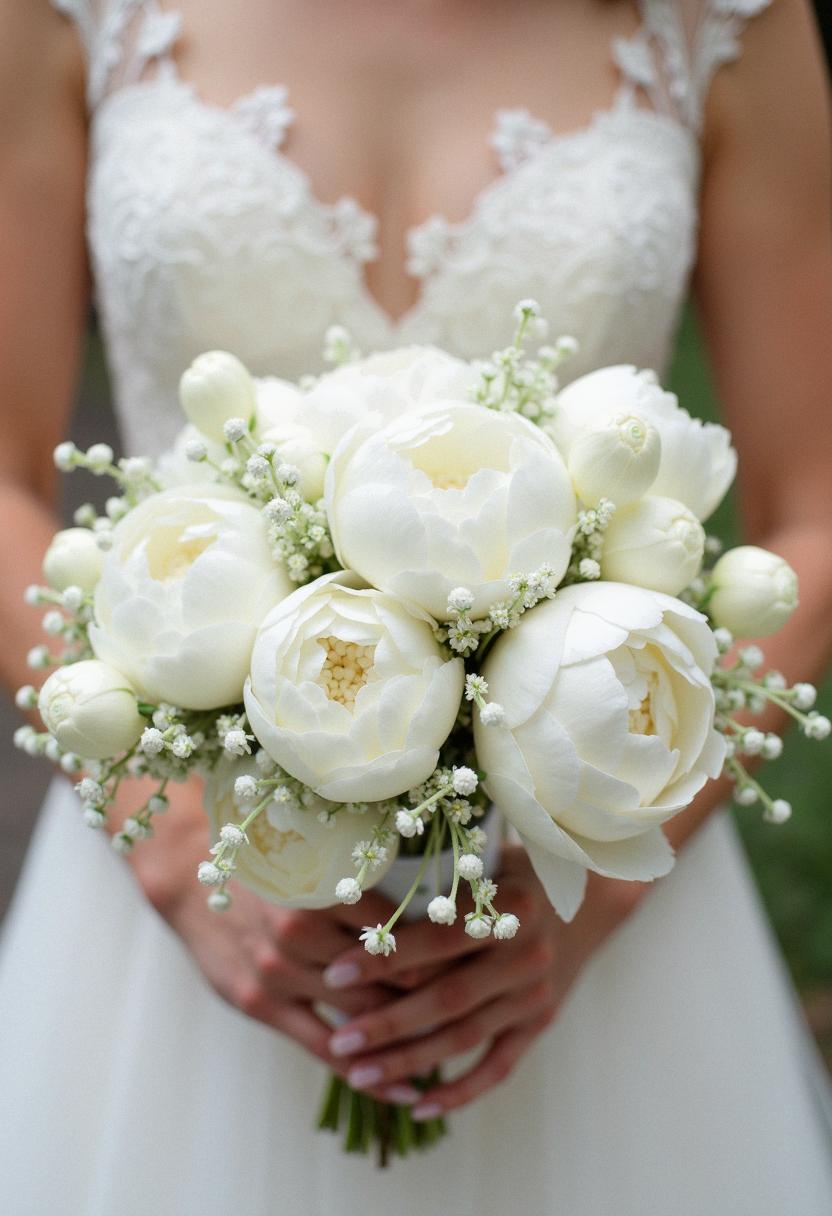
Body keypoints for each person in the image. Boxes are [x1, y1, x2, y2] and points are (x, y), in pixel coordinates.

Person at [1, 1, 831, 1212]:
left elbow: (815, 504)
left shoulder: (724, 19)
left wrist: (590, 901)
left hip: (583, 919)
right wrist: (179, 848)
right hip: (194, 893)